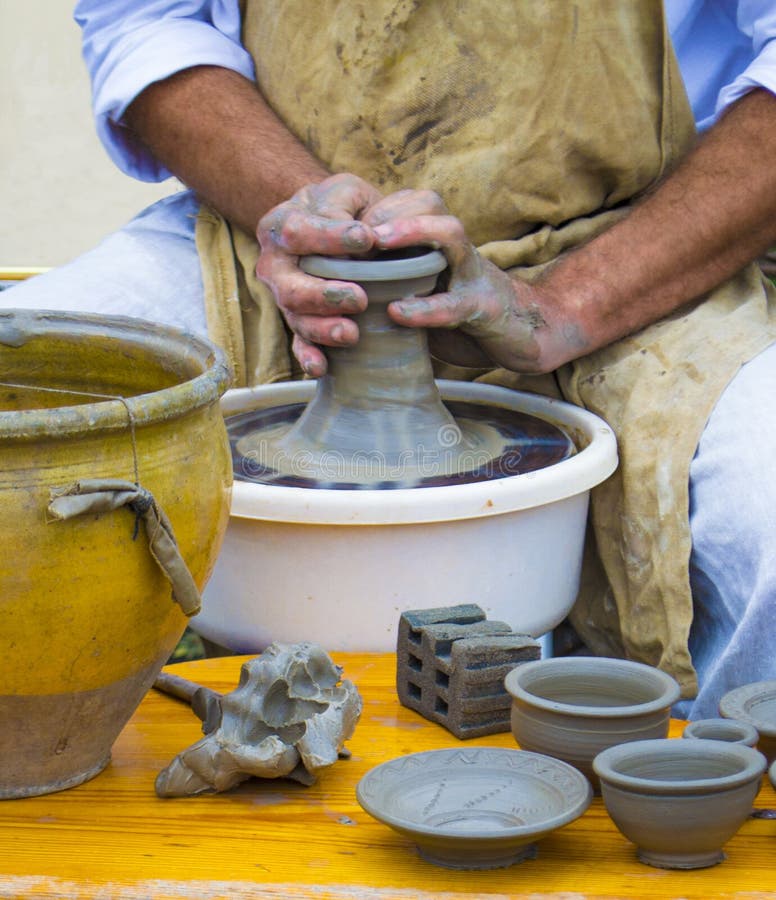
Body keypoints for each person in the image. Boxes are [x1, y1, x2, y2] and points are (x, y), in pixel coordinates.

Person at [6, 1, 776, 719]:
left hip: (649, 241)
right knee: (25, 422)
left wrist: (568, 306)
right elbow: (148, 24)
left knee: (764, 516)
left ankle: (707, 808)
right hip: (273, 226)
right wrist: (315, 224)